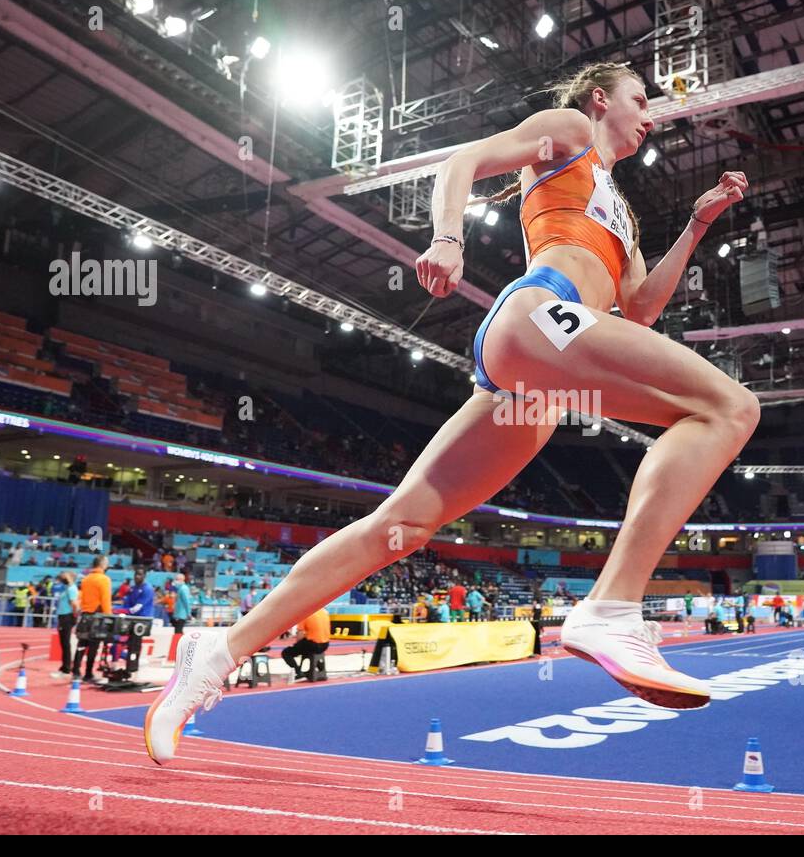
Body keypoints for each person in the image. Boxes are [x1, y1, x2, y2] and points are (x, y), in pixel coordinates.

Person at [144, 61, 755, 764]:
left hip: (544, 378)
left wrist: (699, 223)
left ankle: (218, 650)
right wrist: (448, 238)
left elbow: (641, 309)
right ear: (599, 100)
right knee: (729, 408)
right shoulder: (569, 133)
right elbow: (466, 159)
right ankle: (613, 608)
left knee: (399, 527)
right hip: (538, 315)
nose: (651, 113)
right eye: (640, 99)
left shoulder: (625, 215)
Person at [74, 555, 112, 683]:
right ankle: (88, 673)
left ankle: (76, 671)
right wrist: (109, 616)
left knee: (82, 644)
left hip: (85, 615)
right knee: (94, 646)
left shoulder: (86, 579)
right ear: (102, 564)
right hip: (97, 616)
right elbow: (105, 600)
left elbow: (81, 597)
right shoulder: (104, 579)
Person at [281, 607, 331, 680]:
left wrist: (296, 645)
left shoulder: (306, 614)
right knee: (307, 649)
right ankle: (321, 669)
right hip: (325, 644)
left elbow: (300, 634)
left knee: (286, 652)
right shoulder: (324, 612)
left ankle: (298, 672)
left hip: (313, 644)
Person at [48, 572, 80, 679]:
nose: (63, 578)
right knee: (64, 643)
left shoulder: (71, 589)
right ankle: (65, 667)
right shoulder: (67, 588)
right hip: (63, 616)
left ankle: (66, 669)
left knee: (65, 643)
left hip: (66, 617)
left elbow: (74, 603)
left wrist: (75, 615)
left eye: (66, 576)